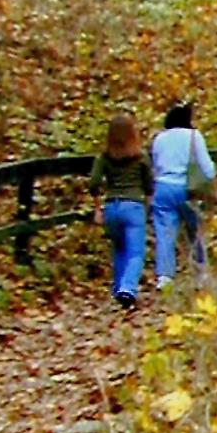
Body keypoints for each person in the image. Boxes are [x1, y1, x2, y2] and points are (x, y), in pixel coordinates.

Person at [89, 113, 154, 310]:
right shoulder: (140, 157)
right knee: (135, 253)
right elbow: (150, 185)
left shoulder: (104, 157)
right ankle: (127, 288)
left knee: (118, 249)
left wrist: (97, 208)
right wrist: (148, 207)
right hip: (134, 206)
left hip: (112, 207)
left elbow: (94, 183)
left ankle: (118, 288)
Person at [149, 101, 215, 289]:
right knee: (194, 231)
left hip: (163, 188)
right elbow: (208, 169)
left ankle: (165, 277)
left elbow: (155, 165)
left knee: (164, 232)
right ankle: (200, 272)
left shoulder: (159, 139)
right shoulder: (194, 136)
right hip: (187, 189)